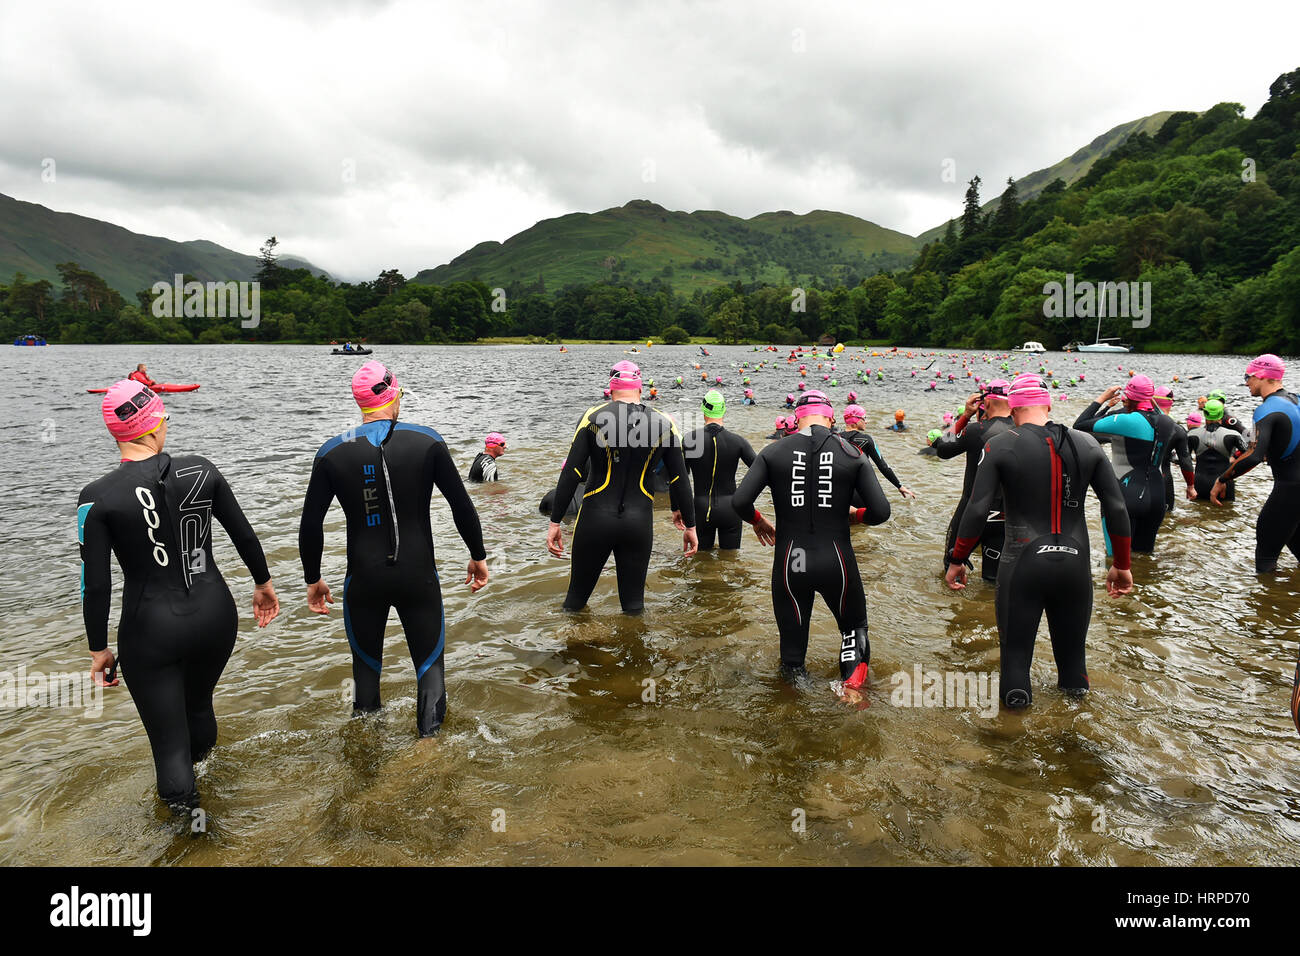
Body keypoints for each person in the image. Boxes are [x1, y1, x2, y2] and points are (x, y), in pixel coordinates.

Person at [78, 381, 280, 807]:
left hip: (151, 628)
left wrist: (98, 648)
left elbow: (96, 584)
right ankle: (211, 795)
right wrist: (262, 584)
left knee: (169, 745)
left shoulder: (96, 498)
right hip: (215, 617)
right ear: (153, 427)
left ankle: (190, 836)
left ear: (116, 432)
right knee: (199, 708)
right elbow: (244, 533)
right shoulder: (203, 470)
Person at [299, 361, 489, 737]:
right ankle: (428, 750)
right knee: (429, 666)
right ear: (395, 393)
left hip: (363, 580)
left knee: (366, 670)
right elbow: (460, 505)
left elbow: (310, 524)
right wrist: (478, 556)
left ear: (359, 403)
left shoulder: (332, 452)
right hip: (418, 575)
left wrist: (313, 579)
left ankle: (366, 758)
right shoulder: (427, 441)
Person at [944, 374, 1133, 709]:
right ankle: (1075, 740)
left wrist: (957, 559)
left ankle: (1012, 748)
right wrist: (1122, 565)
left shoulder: (1000, 445)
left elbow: (976, 509)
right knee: (1074, 666)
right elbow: (1116, 507)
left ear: (1013, 409)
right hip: (1075, 565)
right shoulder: (1087, 444)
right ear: (1048, 404)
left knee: (1015, 662)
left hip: (1022, 563)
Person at [730, 390, 891, 701]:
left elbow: (739, 501)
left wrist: (759, 522)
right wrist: (856, 516)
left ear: (796, 418)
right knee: (853, 629)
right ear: (831, 418)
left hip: (792, 562)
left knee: (792, 655)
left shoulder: (774, 452)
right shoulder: (852, 453)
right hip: (837, 561)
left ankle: (793, 711)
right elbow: (881, 512)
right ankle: (851, 694)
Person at [546, 361, 698, 613]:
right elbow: (680, 479)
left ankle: (571, 649)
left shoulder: (591, 416)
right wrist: (690, 525)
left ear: (611, 387)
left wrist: (555, 522)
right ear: (640, 387)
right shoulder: (664, 422)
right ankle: (635, 649)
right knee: (634, 607)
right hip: (638, 522)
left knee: (574, 603)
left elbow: (571, 472)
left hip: (595, 518)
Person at [1073, 375, 1194, 553]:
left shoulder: (1126, 421)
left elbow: (1080, 425)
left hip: (1124, 496)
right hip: (1156, 498)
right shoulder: (1169, 423)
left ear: (1128, 398)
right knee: (1144, 557)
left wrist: (1103, 398)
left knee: (1116, 560)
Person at [1210, 354, 1300, 572]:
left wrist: (1222, 479)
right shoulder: (1296, 399)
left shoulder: (1267, 409)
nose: (1246, 382)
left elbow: (1253, 455)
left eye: (1248, 376)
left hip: (1290, 487)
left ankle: (1268, 604)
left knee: (1266, 558)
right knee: (1293, 539)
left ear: (1262, 376)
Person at [934, 381, 1013, 582]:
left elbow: (942, 449)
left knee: (950, 571)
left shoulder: (975, 430)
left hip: (970, 513)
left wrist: (966, 416)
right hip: (1007, 516)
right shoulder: (1024, 432)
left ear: (984, 404)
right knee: (994, 582)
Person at [683, 390, 757, 550]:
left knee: (701, 563)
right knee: (730, 562)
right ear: (724, 410)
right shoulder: (738, 441)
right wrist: (746, 500)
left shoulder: (690, 440)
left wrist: (678, 508)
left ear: (704, 410)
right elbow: (760, 472)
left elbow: (679, 479)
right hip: (731, 509)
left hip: (701, 509)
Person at [841, 404, 916, 499]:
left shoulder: (835, 438)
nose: (866, 422)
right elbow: (883, 466)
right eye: (864, 418)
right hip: (859, 490)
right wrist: (899, 485)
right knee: (883, 512)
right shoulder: (866, 440)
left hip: (840, 490)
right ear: (857, 420)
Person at [1186, 400, 1247, 501]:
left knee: (1199, 513)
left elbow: (1183, 460)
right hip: (1224, 483)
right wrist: (1235, 460)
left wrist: (1189, 485)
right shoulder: (1233, 435)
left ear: (1205, 413)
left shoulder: (1192, 435)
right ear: (1222, 414)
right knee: (1226, 513)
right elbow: (1249, 454)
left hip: (1199, 483)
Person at [1153, 386, 1192, 514]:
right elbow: (1185, 462)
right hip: (1163, 480)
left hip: (1136, 480)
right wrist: (1190, 486)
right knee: (1166, 521)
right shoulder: (1177, 430)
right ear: (1171, 402)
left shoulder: (1138, 422)